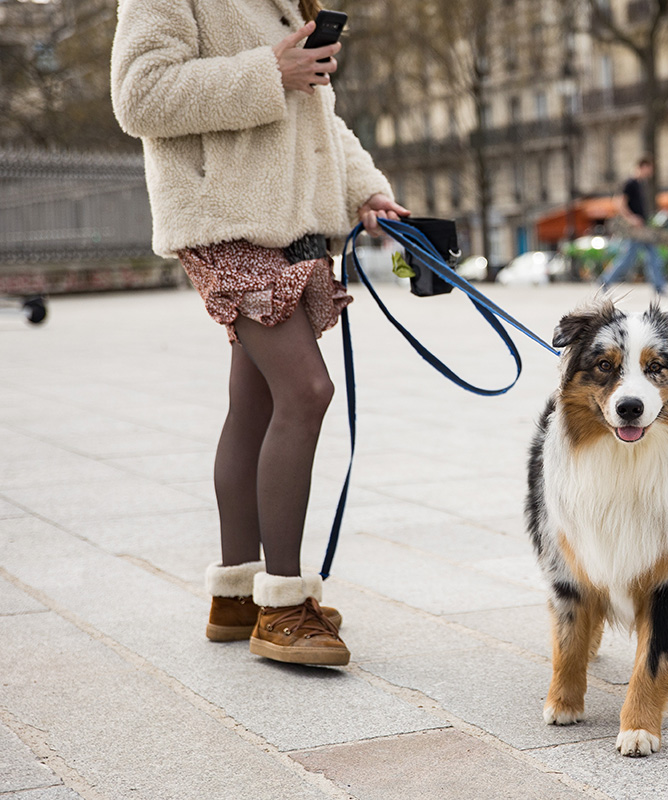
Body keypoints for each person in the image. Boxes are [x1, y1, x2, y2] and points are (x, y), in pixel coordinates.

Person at [112, 0, 408, 666]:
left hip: (289, 223)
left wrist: (366, 191)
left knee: (257, 407)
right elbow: (139, 97)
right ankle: (283, 607)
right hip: (224, 217)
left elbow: (319, 115)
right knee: (307, 390)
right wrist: (266, 71)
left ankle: (237, 596)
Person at [600, 156, 668, 295]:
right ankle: (605, 280)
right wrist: (631, 218)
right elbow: (618, 203)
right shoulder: (630, 183)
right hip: (635, 230)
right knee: (628, 259)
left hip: (642, 228)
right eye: (649, 169)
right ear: (642, 167)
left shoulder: (640, 184)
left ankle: (659, 286)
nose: (650, 172)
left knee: (653, 255)